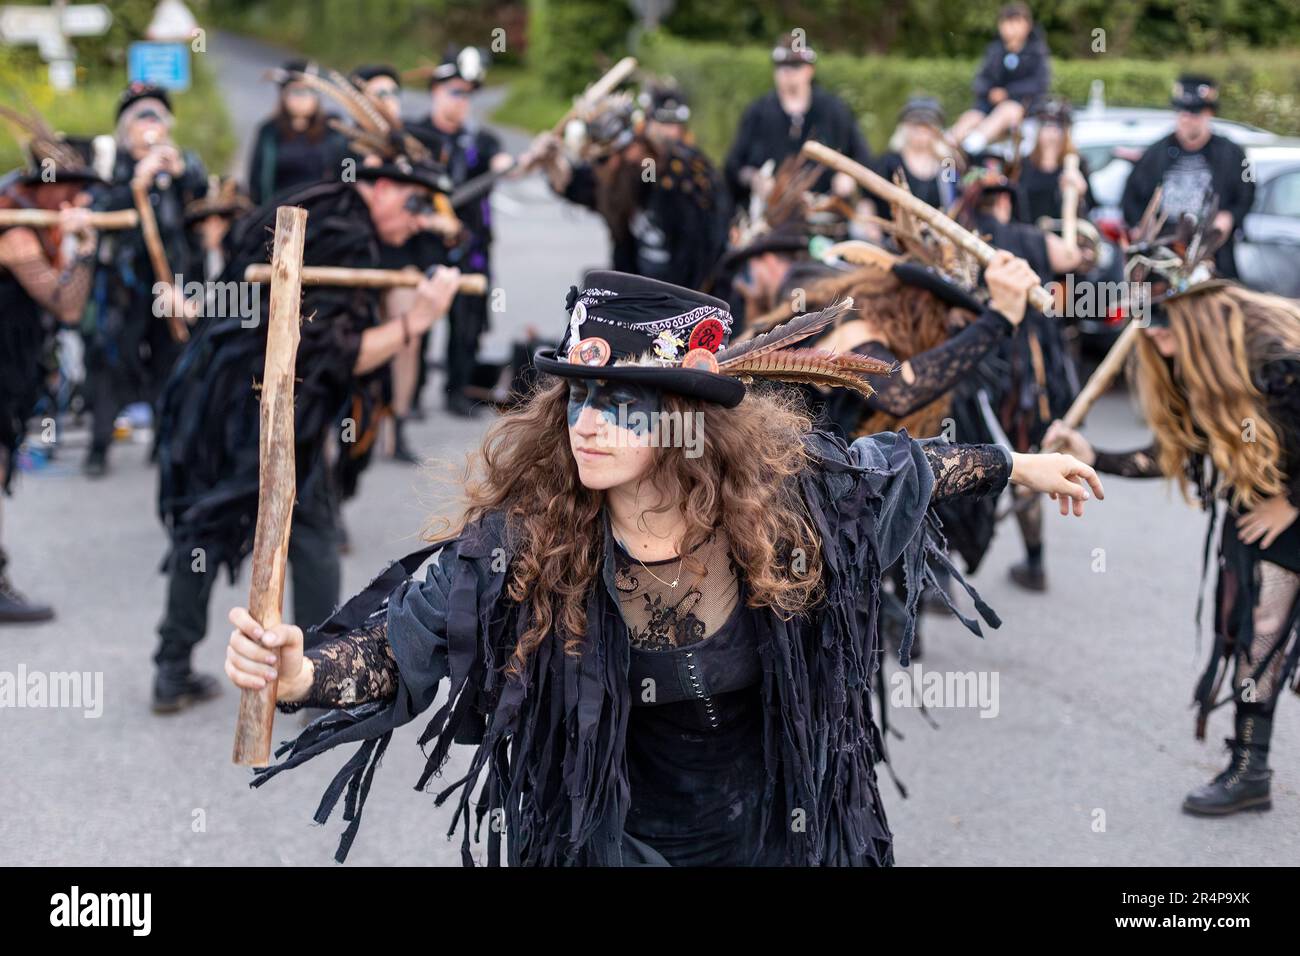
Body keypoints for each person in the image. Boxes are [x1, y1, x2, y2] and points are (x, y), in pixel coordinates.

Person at [224, 269, 1104, 866]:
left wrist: (1019, 466)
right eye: (578, 398)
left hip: (778, 830)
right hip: (614, 841)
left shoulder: (782, 502)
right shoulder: (527, 543)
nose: (589, 423)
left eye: (621, 402)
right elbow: (399, 650)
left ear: (688, 417)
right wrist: (299, 674)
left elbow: (897, 466)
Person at [152, 85, 462, 715]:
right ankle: (319, 673)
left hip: (229, 389)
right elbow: (332, 353)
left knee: (209, 524)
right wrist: (418, 321)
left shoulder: (324, 207)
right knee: (306, 528)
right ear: (375, 186)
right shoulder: (342, 232)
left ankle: (172, 667)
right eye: (412, 202)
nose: (417, 217)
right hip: (258, 400)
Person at [1045, 236, 1299, 817]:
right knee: (1252, 627)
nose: (1156, 343)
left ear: (1193, 316)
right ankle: (1250, 768)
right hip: (1256, 501)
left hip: (1287, 503)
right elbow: (1180, 455)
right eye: (1149, 332)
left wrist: (1291, 503)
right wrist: (1092, 455)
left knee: (1263, 629)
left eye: (1163, 328)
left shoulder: (1272, 355)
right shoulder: (1193, 364)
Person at [954, 159, 1081, 591]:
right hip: (1025, 377)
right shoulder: (1029, 237)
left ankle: (941, 580)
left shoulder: (961, 243)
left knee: (958, 460)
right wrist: (1071, 196)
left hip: (978, 371)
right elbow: (1072, 254)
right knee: (1029, 456)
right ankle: (1035, 562)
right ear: (1007, 200)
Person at [0, 113, 100, 623]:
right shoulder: (15, 230)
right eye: (65, 191)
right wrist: (83, 250)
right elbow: (68, 306)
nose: (73, 202)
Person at [84, 82, 207, 478]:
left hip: (172, 282)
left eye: (156, 116)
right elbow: (98, 209)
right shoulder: (110, 164)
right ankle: (99, 444)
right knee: (110, 359)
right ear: (126, 127)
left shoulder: (183, 162)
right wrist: (135, 182)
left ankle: (165, 442)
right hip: (124, 283)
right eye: (141, 118)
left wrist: (181, 174)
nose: (149, 126)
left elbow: (206, 206)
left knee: (172, 361)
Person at [526, 95, 729, 292]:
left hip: (687, 293)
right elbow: (572, 184)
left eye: (605, 159)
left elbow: (704, 250)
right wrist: (551, 160)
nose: (604, 167)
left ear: (633, 145)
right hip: (640, 291)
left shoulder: (679, 179)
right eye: (599, 161)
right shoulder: (618, 182)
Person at [407, 46, 511, 419]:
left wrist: (511, 164)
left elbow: (504, 164)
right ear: (435, 90)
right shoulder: (413, 137)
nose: (461, 101)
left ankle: (457, 391)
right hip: (423, 242)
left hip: (471, 246)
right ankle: (412, 394)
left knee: (467, 321)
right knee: (420, 316)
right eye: (454, 92)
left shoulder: (479, 141)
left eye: (467, 94)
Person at [1120, 74, 1253, 279]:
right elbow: (1131, 195)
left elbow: (1247, 192)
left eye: (1194, 113)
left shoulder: (1231, 153)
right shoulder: (1156, 152)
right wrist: (1139, 225)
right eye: (1180, 111)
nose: (1185, 118)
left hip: (1212, 254)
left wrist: (1230, 217)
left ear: (1208, 114)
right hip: (1163, 254)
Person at [723, 32, 871, 211]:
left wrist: (849, 177)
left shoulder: (834, 111)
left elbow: (863, 158)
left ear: (810, 70)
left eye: (795, 66)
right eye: (781, 66)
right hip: (769, 217)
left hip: (825, 215)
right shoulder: (758, 112)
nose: (787, 73)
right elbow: (734, 167)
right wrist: (756, 179)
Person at [948, 3, 1051, 156]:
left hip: (1023, 108)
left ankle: (974, 144)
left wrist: (1008, 93)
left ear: (1027, 25)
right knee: (971, 117)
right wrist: (990, 92)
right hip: (989, 107)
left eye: (1016, 22)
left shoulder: (1037, 51)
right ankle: (946, 144)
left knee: (1007, 110)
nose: (1011, 28)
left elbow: (1039, 83)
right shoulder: (994, 50)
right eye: (1007, 22)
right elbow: (981, 79)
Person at [247, 60, 348, 205]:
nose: (303, 98)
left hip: (322, 213)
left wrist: (346, 192)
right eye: (296, 91)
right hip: (277, 212)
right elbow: (256, 179)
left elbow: (349, 164)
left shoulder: (335, 130)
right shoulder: (269, 132)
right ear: (284, 95)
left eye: (309, 91)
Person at [869, 97, 959, 220]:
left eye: (927, 127)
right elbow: (871, 200)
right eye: (916, 126)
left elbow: (953, 200)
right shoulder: (890, 162)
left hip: (938, 234)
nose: (921, 131)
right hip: (894, 233)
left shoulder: (947, 164)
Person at [1016, 97, 1093, 226]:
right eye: (1046, 126)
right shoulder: (1024, 164)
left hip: (1064, 234)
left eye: (1057, 127)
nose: (1051, 133)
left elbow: (1089, 208)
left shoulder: (1076, 163)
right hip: (1030, 235)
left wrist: (1080, 194)